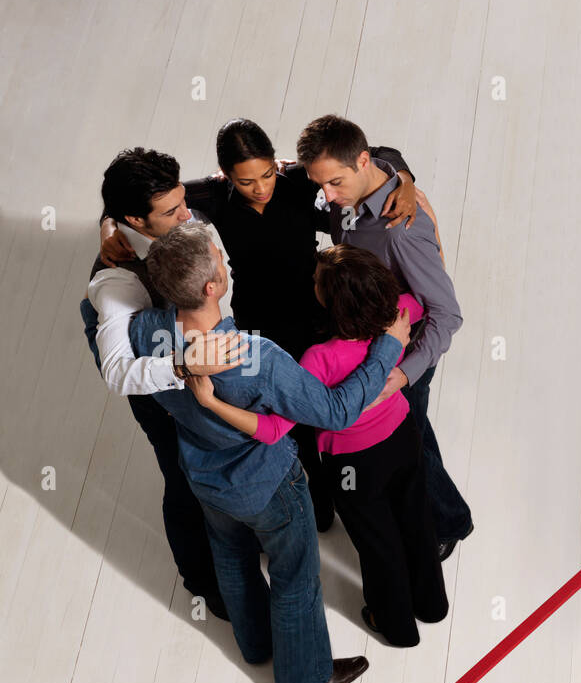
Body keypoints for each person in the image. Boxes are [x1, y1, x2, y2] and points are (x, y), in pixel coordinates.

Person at [106, 222, 411, 683]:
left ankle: (254, 646)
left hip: (205, 477)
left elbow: (96, 315)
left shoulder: (147, 332)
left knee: (231, 556)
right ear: (213, 287)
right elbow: (335, 410)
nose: (225, 262)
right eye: (219, 260)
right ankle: (302, 677)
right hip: (267, 485)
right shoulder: (256, 356)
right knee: (295, 575)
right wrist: (389, 346)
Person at [98, 118, 429, 533]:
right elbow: (128, 201)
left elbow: (377, 157)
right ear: (225, 176)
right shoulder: (213, 196)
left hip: (318, 310)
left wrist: (405, 180)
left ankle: (354, 481)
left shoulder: (298, 181)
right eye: (246, 180)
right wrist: (108, 226)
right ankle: (318, 498)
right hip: (260, 325)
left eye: (267, 173)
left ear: (277, 163)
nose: (260, 187)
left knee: (328, 398)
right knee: (286, 415)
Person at [190, 244, 449, 648]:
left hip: (354, 467)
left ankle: (396, 625)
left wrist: (212, 402)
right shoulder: (396, 314)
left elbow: (275, 429)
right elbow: (427, 301)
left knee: (378, 543)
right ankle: (433, 604)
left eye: (316, 282)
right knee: (415, 517)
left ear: (331, 300)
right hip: (403, 437)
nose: (311, 283)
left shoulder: (317, 359)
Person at [297, 114, 473, 560]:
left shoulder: (402, 230)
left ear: (361, 161)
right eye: (320, 185)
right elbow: (389, 157)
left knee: (412, 438)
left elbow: (447, 314)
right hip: (370, 343)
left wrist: (402, 374)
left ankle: (447, 521)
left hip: (402, 356)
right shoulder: (354, 186)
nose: (327, 197)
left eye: (334, 183)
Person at [82, 147, 247, 620]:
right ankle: (203, 580)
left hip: (215, 366)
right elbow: (115, 371)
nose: (189, 214)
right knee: (183, 476)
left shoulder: (175, 210)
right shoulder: (116, 280)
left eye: (182, 201)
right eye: (173, 211)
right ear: (136, 219)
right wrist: (184, 365)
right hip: (163, 393)